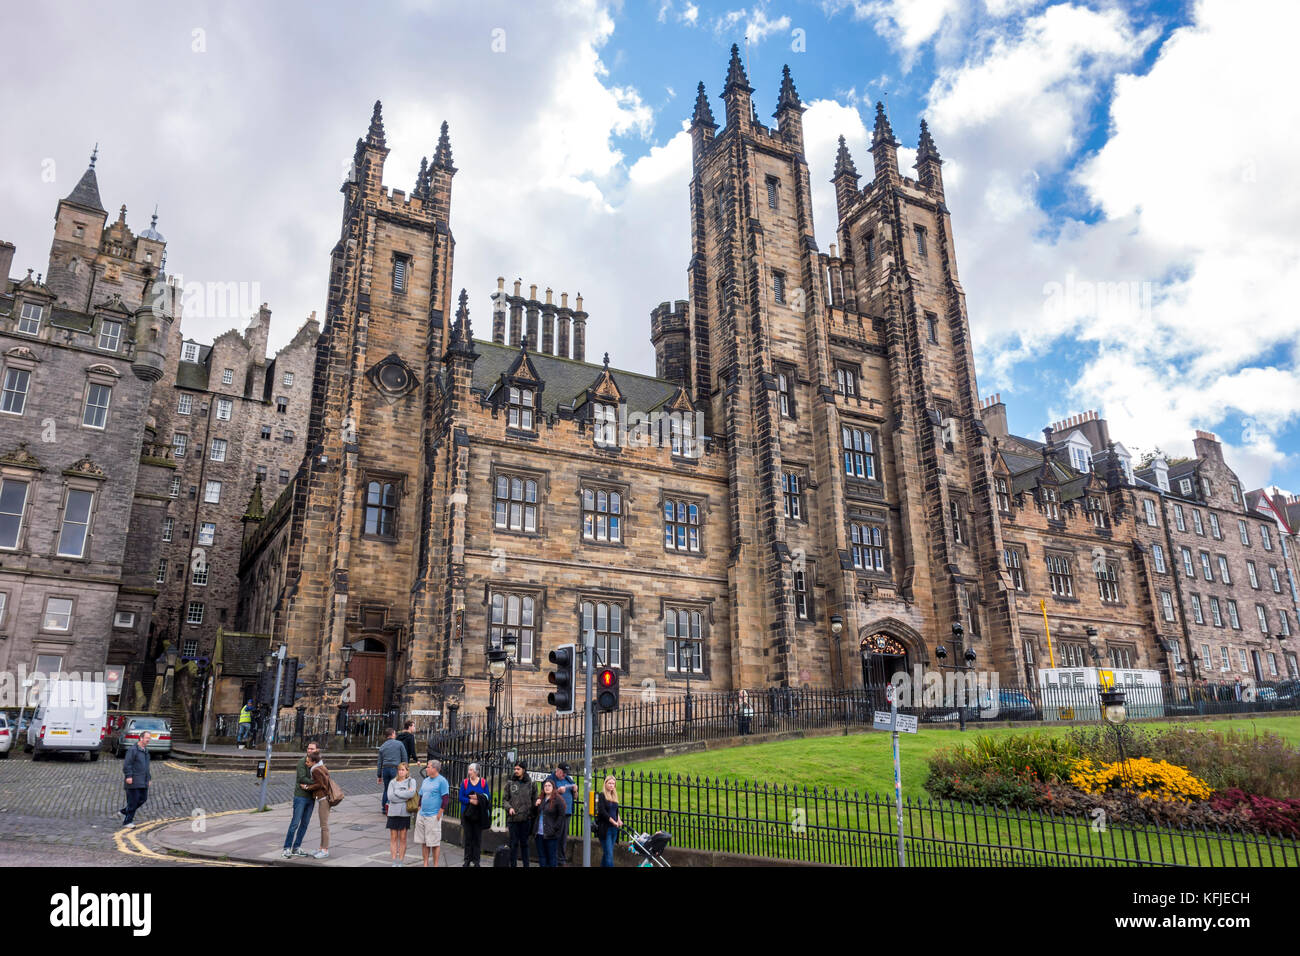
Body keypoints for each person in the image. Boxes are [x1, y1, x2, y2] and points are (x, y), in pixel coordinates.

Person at [282, 740, 321, 858]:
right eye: (308, 748)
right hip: (300, 797)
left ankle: (296, 847)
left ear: (317, 751)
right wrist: (316, 783)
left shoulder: (318, 763)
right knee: (295, 823)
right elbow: (302, 778)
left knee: (305, 824)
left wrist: (313, 785)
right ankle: (287, 848)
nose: (309, 751)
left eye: (312, 749)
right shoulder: (302, 762)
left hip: (311, 798)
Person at [415, 759, 450, 867]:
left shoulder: (442, 781)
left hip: (433, 816)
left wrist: (440, 813)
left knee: (434, 843)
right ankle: (425, 863)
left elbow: (445, 798)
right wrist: (419, 808)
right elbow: (421, 795)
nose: (426, 768)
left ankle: (435, 864)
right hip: (422, 815)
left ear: (434, 769)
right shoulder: (426, 780)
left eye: (428, 767)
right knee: (424, 842)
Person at [503, 761, 537, 867]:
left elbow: (534, 800)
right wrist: (509, 808)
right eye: (515, 769)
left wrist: (531, 813)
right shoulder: (510, 783)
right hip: (513, 819)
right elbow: (504, 800)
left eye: (518, 769)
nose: (516, 771)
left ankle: (526, 865)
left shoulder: (531, 783)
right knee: (513, 844)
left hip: (526, 819)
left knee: (524, 844)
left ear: (524, 770)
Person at [544, 763, 578, 865]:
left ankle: (561, 860)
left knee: (563, 838)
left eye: (566, 773)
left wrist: (575, 791)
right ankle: (552, 859)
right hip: (554, 814)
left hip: (567, 813)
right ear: (558, 770)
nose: (565, 775)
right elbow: (545, 795)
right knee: (554, 836)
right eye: (563, 773)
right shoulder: (550, 779)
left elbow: (575, 797)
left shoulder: (568, 779)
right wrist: (557, 791)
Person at [458, 762, 491, 867]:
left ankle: (476, 861)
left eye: (471, 770)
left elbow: (487, 797)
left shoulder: (483, 782)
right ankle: (467, 860)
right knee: (468, 838)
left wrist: (478, 798)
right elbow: (460, 797)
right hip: (467, 814)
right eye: (469, 770)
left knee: (477, 838)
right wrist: (470, 801)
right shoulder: (465, 782)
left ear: (476, 772)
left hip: (479, 815)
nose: (469, 772)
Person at [385, 762, 417, 866]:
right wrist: (404, 796)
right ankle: (394, 861)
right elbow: (390, 797)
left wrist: (397, 793)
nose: (401, 772)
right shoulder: (392, 782)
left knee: (403, 838)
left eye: (403, 770)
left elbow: (411, 794)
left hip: (405, 813)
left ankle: (400, 861)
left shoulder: (411, 781)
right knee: (393, 837)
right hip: (393, 812)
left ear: (407, 771)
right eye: (399, 770)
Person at [303, 749, 332, 860]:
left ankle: (325, 850)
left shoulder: (315, 770)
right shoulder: (321, 767)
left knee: (324, 826)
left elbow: (320, 784)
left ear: (314, 761)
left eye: (308, 762)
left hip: (323, 799)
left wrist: (307, 787)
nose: (306, 764)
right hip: (324, 798)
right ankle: (321, 848)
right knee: (323, 825)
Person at [120, 731, 153, 828]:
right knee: (133, 801)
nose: (148, 740)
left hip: (143, 780)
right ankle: (127, 821)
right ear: (141, 738)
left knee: (143, 799)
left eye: (149, 738)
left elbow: (147, 767)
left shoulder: (145, 751)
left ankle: (124, 811)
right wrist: (128, 776)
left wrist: (149, 778)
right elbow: (127, 764)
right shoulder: (132, 750)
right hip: (133, 780)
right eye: (147, 738)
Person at [534, 779, 565, 867]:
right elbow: (534, 814)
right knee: (541, 857)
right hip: (539, 834)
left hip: (551, 834)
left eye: (549, 786)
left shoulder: (558, 800)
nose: (547, 788)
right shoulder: (541, 799)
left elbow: (561, 816)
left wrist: (554, 829)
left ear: (553, 787)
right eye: (545, 786)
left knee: (551, 858)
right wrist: (536, 805)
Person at [594, 775, 623, 868]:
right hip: (605, 829)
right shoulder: (602, 795)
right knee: (609, 855)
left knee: (607, 853)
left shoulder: (614, 795)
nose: (611, 785)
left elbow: (616, 810)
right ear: (605, 783)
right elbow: (602, 812)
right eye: (609, 783)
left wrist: (619, 820)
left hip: (614, 829)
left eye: (613, 784)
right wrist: (613, 822)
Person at [377, 728, 405, 814]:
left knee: (386, 789)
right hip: (395, 769)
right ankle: (393, 807)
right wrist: (405, 770)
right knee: (396, 789)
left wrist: (379, 775)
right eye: (395, 733)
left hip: (385, 769)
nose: (395, 735)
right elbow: (404, 758)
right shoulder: (399, 744)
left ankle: (384, 808)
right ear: (392, 734)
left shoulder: (382, 746)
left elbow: (379, 762)